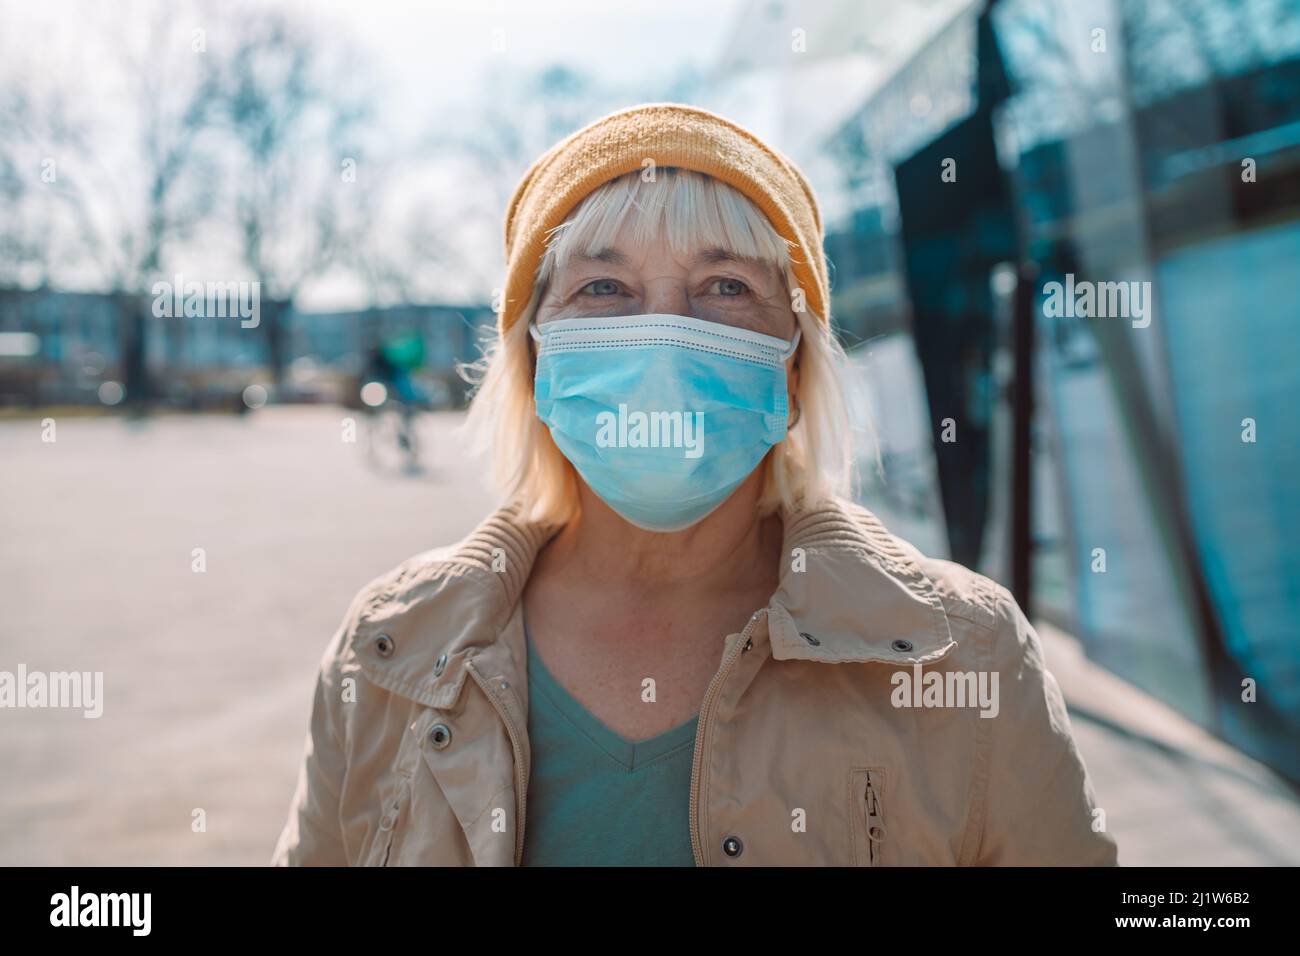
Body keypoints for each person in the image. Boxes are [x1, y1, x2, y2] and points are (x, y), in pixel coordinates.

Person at [272, 103, 1118, 866]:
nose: (667, 334)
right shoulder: (389, 649)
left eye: (728, 287)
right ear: (534, 365)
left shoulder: (963, 649)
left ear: (793, 373)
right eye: (604, 288)